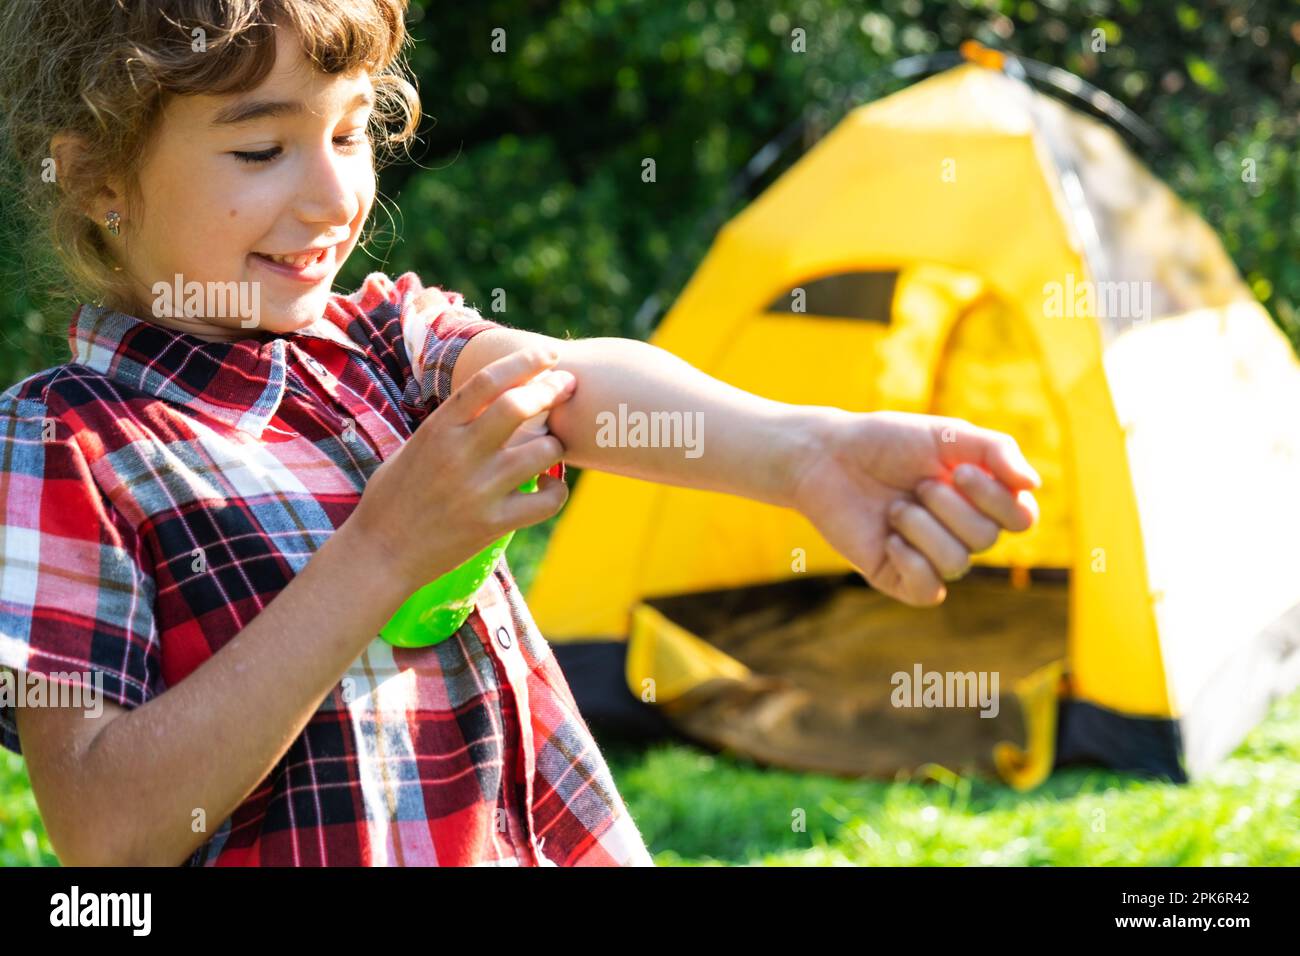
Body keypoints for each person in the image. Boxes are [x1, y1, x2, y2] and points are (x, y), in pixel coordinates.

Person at [0, 0, 1039, 866]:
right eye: (262, 146)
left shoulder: (383, 342)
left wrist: (802, 452)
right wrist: (383, 551)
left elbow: (571, 380)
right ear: (97, 177)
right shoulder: (66, 444)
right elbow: (107, 826)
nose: (332, 195)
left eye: (352, 131)